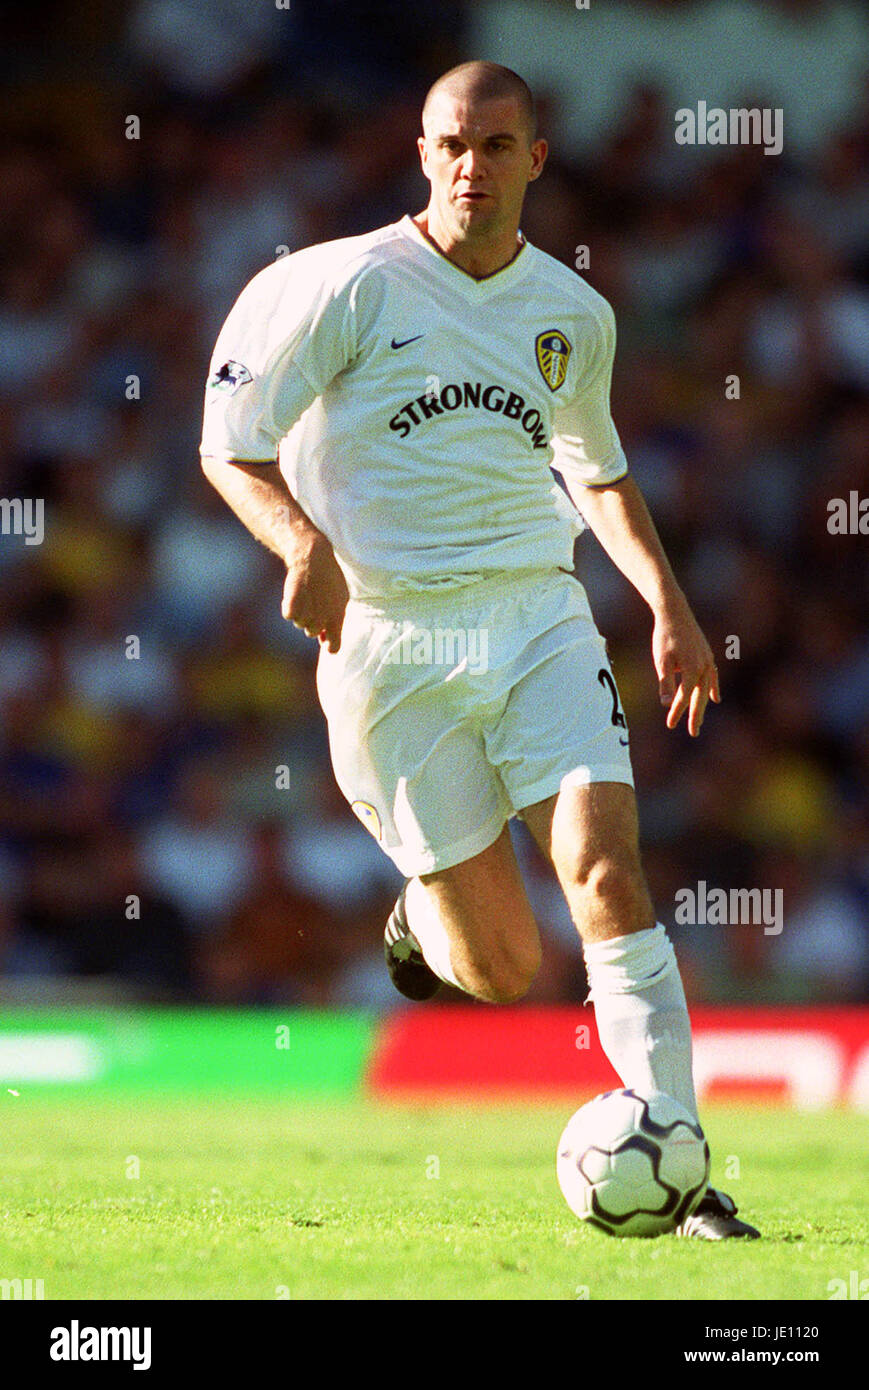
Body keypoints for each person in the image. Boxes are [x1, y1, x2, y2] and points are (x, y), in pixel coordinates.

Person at [200, 60, 759, 1239]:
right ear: (421, 151)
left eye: (496, 146)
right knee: (503, 970)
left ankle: (679, 1153)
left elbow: (594, 471)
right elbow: (228, 445)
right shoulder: (346, 286)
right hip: (384, 639)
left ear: (534, 160)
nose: (471, 167)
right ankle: (421, 914)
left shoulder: (572, 314)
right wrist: (301, 547)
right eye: (451, 144)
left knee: (605, 869)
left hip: (533, 614)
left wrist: (665, 603)